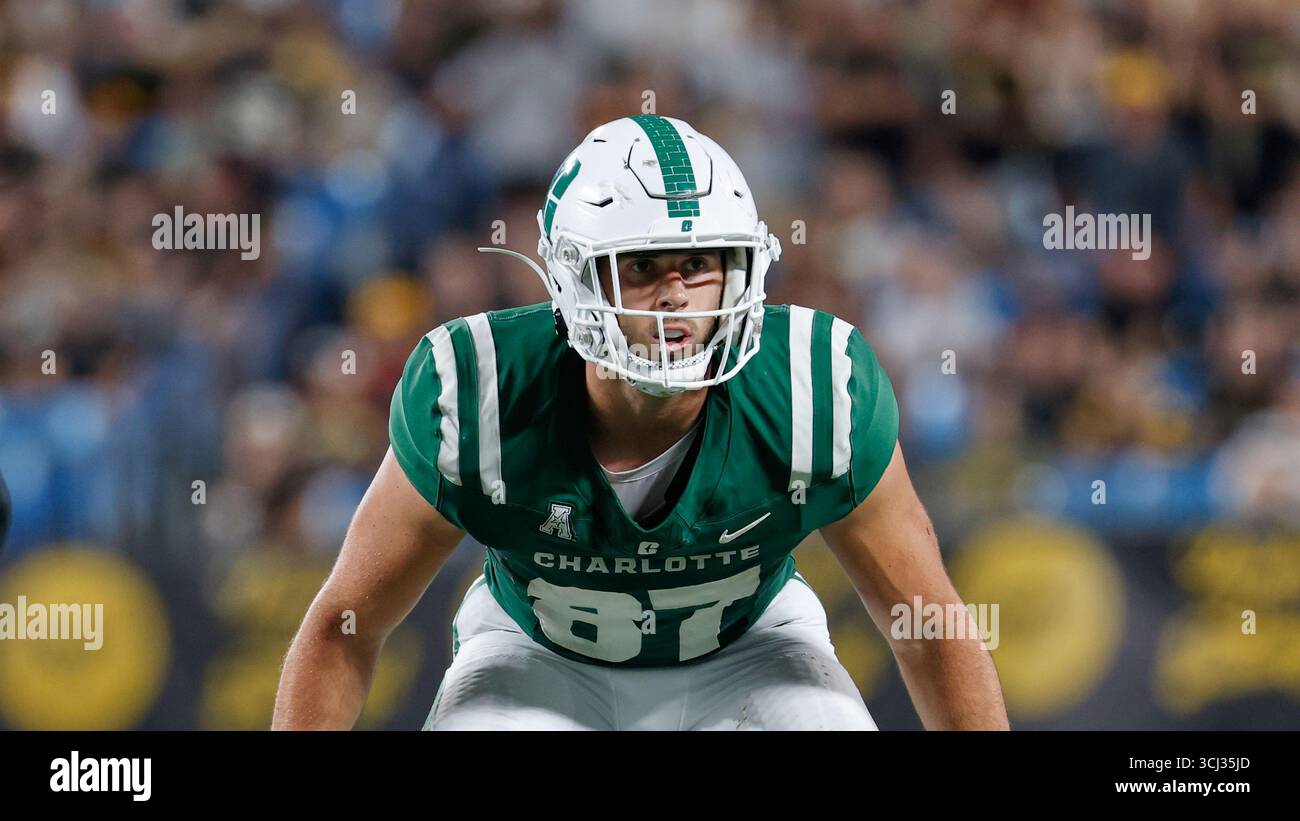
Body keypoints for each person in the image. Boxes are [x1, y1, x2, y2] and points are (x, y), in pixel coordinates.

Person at [273, 115, 1008, 730]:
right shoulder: (479, 388)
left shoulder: (816, 386)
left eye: (698, 263)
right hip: (537, 656)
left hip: (751, 647)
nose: (677, 297)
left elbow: (930, 628)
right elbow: (346, 625)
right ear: (573, 277)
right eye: (645, 266)